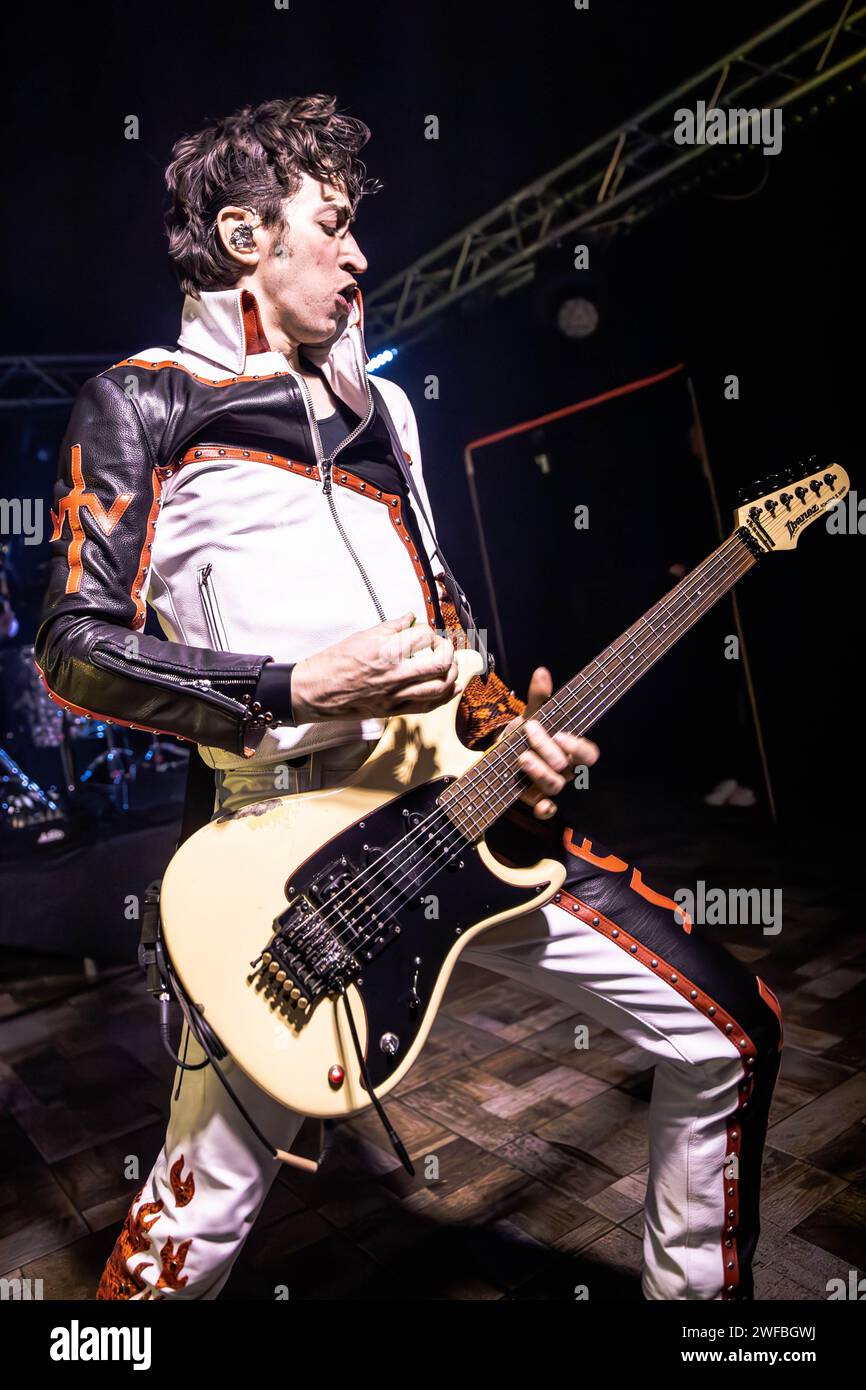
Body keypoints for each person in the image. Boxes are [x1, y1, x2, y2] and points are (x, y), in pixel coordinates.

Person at [35, 95, 782, 1302]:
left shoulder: (388, 412)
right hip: (282, 870)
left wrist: (503, 723)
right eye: (328, 227)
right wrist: (290, 684)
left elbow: (443, 628)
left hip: (455, 810)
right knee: (192, 1228)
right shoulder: (142, 403)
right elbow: (70, 648)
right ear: (242, 238)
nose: (360, 255)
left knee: (729, 1032)